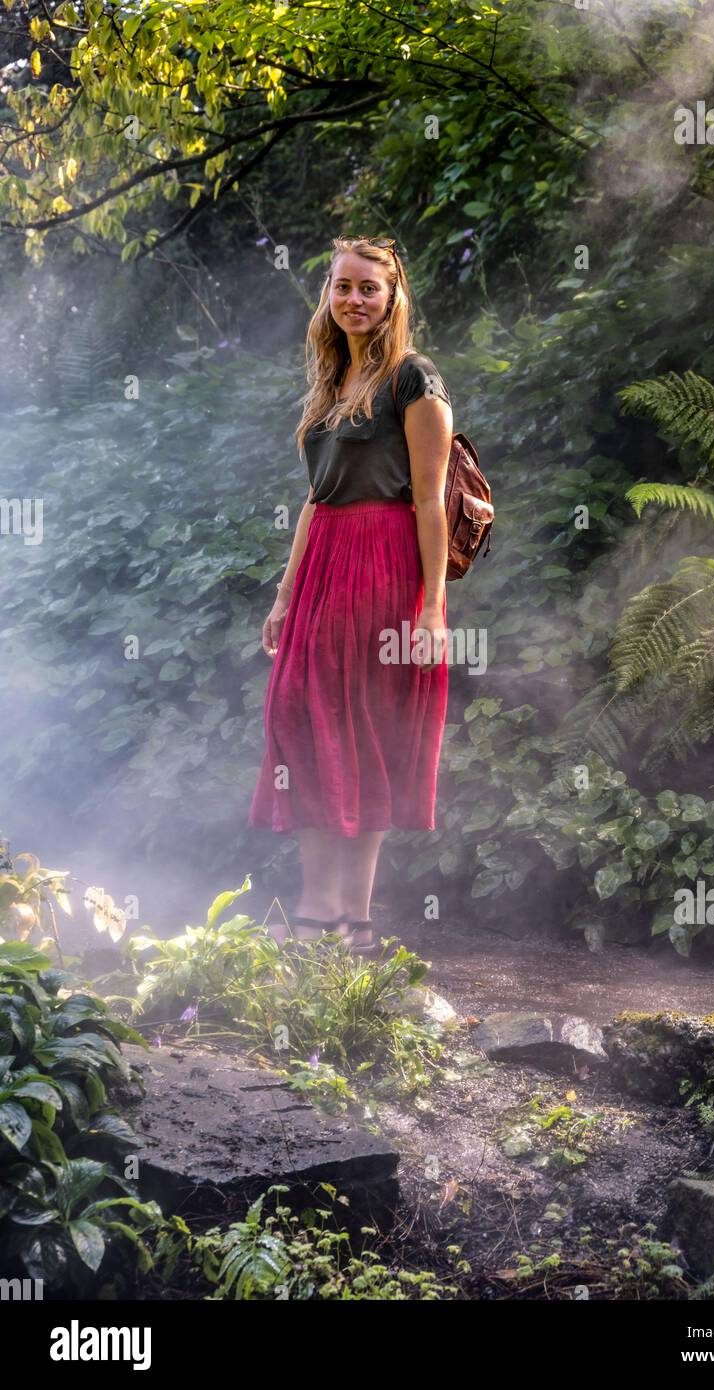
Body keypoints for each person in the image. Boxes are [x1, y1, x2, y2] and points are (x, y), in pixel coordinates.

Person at [248, 235, 452, 952]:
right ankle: (316, 905)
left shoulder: (413, 380)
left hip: (383, 566)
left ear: (393, 296)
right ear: (328, 296)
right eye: (342, 287)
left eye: (369, 287)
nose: (354, 300)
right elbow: (315, 499)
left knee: (364, 735)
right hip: (323, 567)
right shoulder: (333, 381)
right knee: (300, 724)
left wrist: (431, 609)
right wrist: (283, 595)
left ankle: (352, 920)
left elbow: (430, 503)